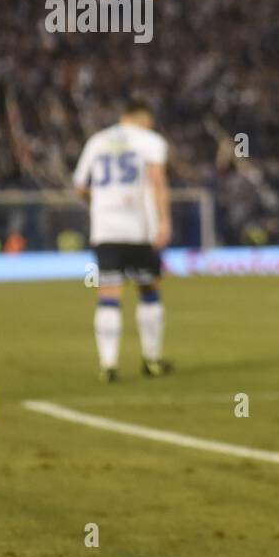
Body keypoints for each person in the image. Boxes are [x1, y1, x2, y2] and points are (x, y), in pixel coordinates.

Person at [73, 98, 172, 381]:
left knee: (108, 294)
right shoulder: (150, 141)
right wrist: (164, 222)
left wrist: (100, 203)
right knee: (149, 287)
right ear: (143, 118)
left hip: (105, 230)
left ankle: (108, 365)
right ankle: (152, 360)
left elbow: (80, 186)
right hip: (140, 229)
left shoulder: (96, 141)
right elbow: (157, 182)